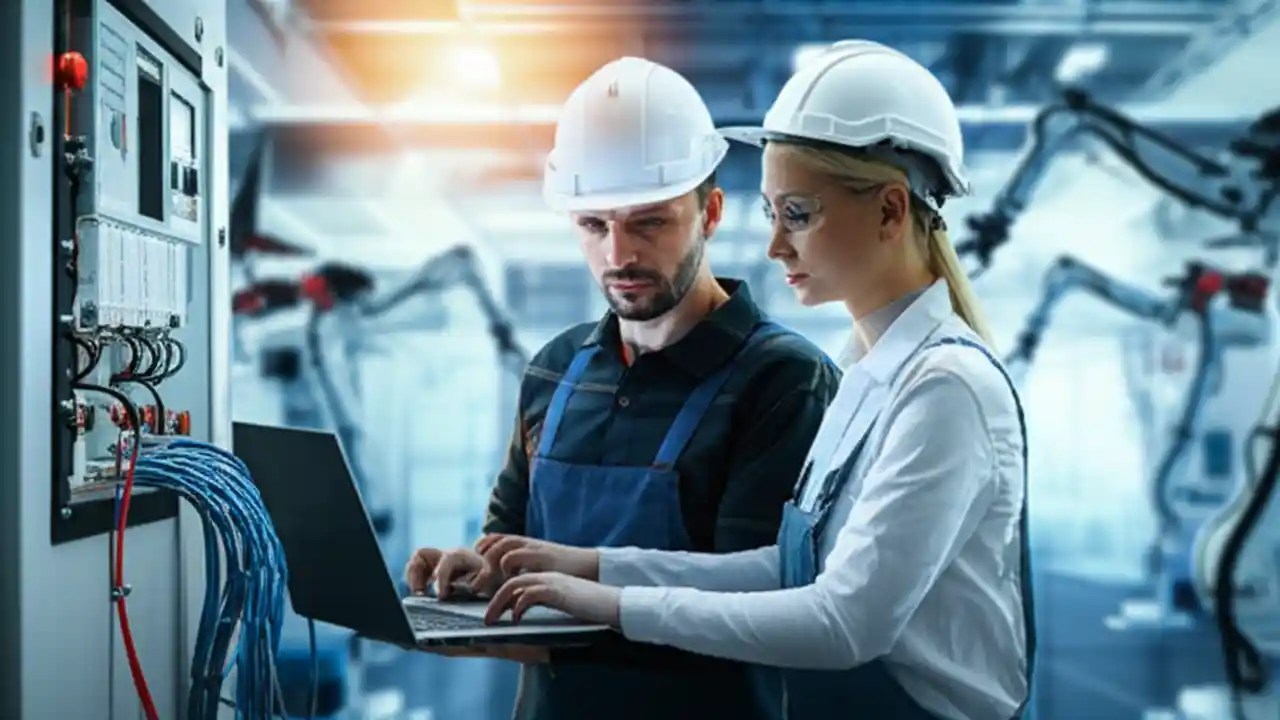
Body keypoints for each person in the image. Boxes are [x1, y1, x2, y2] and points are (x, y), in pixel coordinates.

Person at [472, 40, 1036, 720]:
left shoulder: (943, 387)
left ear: (890, 211)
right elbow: (786, 571)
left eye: (798, 214)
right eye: (772, 214)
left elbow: (843, 621)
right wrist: (584, 567)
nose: (774, 245)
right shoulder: (873, 377)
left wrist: (611, 604)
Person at [402, 56, 842, 720]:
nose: (618, 256)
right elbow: (507, 541)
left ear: (711, 212)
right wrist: (469, 578)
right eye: (593, 225)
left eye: (649, 222)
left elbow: (756, 610)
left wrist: (549, 619)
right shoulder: (552, 369)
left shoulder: (783, 382)